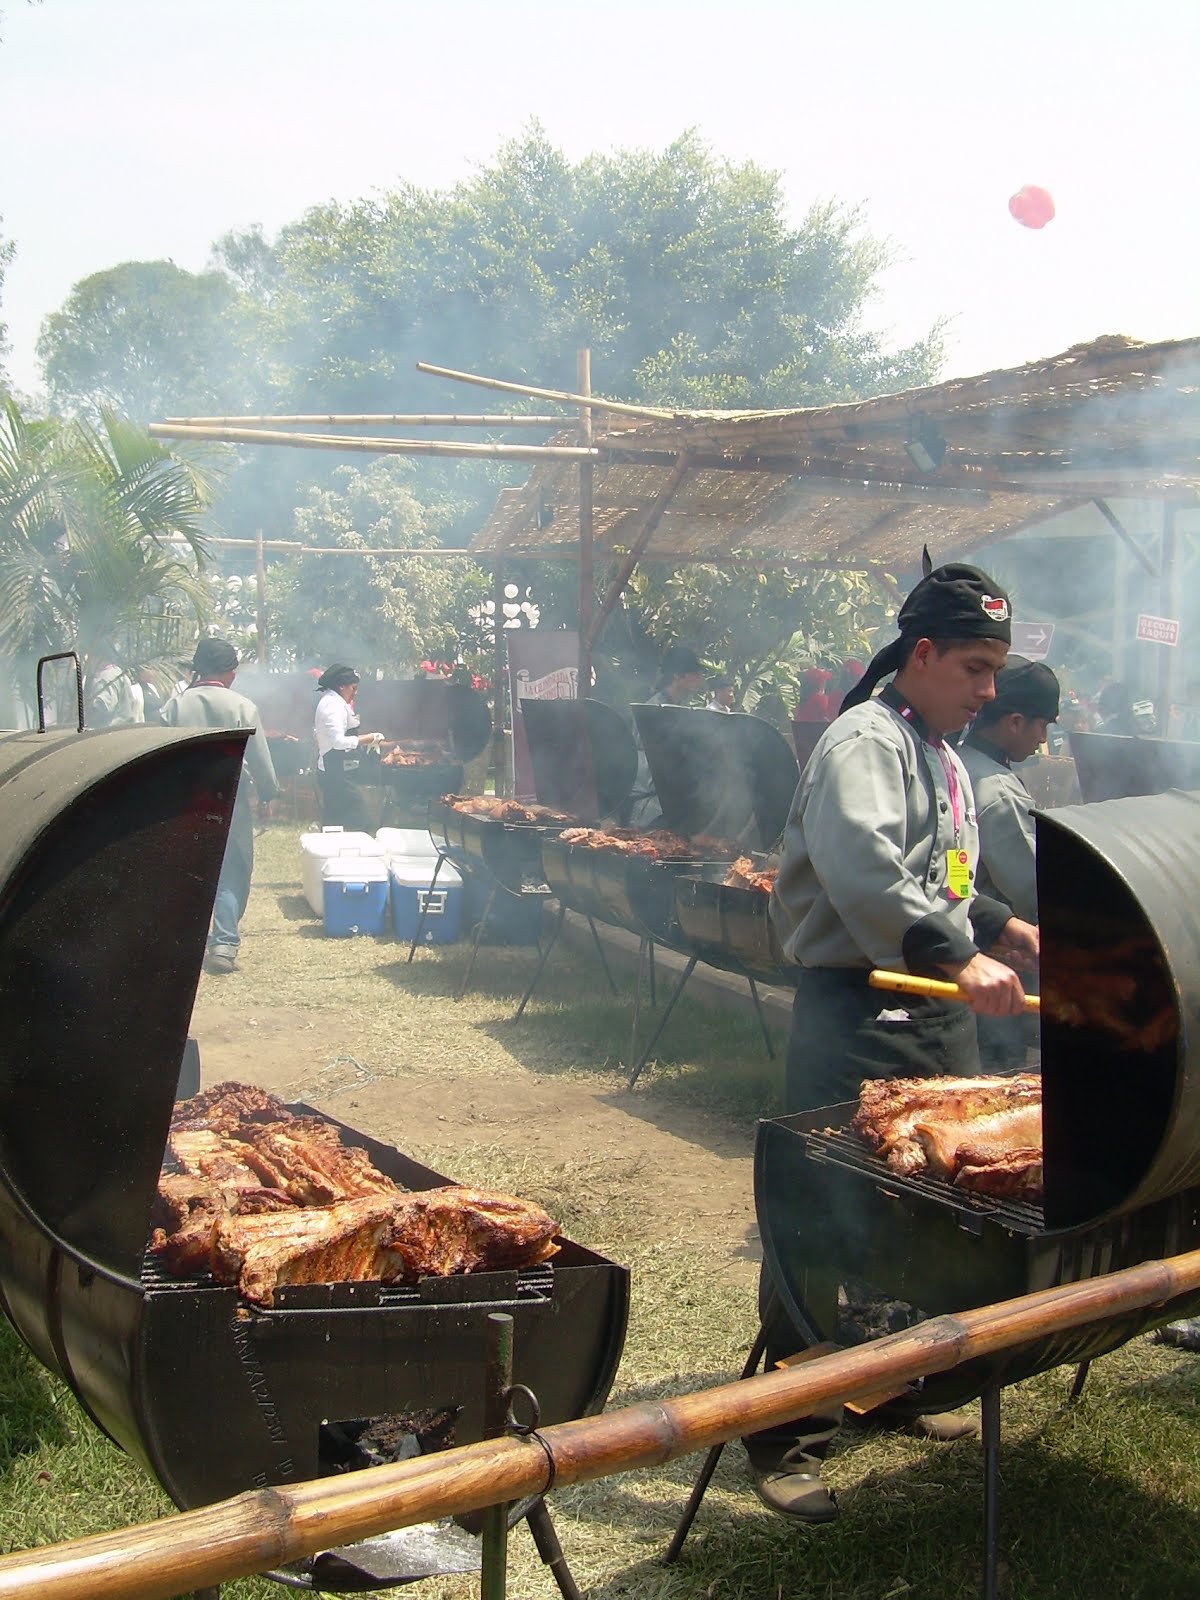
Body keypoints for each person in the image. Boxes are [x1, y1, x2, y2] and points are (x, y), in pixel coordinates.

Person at [747, 561, 1039, 1524]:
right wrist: (960, 957)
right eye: (974, 666)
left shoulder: (943, 749)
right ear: (921, 655)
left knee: (919, 1219)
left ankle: (897, 1383)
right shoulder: (863, 742)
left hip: (934, 1016)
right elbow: (868, 871)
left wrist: (1002, 929)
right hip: (858, 1015)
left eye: (995, 669)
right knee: (823, 1221)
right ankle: (788, 1430)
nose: (989, 690)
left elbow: (940, 872)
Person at [958, 656, 1060, 1068]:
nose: (1042, 739)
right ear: (1015, 722)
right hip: (990, 962)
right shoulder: (998, 792)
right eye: (1042, 726)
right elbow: (1033, 888)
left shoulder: (953, 761)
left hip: (958, 947)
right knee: (998, 1076)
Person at [159, 638, 279, 975]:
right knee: (231, 870)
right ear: (230, 673)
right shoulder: (243, 707)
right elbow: (259, 760)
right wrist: (269, 792)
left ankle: (183, 944)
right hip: (230, 799)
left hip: (183, 801)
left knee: (187, 869)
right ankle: (223, 946)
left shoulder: (175, 707)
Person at [627, 645, 706, 826]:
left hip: (670, 803)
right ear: (677, 676)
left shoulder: (679, 708)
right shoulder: (652, 710)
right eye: (694, 672)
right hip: (649, 805)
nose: (700, 678)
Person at [314, 664, 384, 833]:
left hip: (336, 771)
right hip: (335, 773)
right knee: (363, 821)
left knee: (334, 823)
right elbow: (338, 742)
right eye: (353, 688)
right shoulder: (333, 706)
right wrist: (368, 738)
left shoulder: (334, 701)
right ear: (341, 686)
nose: (355, 693)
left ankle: (332, 854)